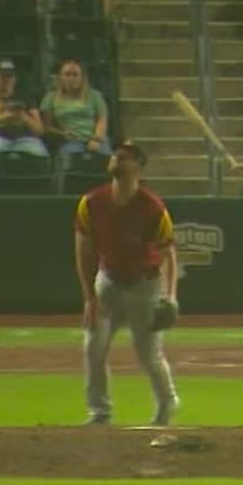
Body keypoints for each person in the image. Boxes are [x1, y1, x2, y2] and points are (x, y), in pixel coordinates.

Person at [75, 139, 181, 427]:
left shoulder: (152, 207)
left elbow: (169, 253)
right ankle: (99, 412)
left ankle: (166, 403)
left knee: (147, 353)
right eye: (117, 155)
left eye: (127, 157)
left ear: (139, 168)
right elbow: (83, 252)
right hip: (108, 282)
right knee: (93, 347)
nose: (118, 159)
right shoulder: (91, 203)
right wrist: (89, 298)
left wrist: (169, 296)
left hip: (144, 286)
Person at [0, 58, 48, 158]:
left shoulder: (26, 98)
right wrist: (0, 119)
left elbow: (39, 131)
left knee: (38, 152)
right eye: (2, 76)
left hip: (23, 139)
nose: (6, 80)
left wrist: (24, 117)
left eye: (10, 76)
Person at [41, 59, 109, 156]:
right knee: (71, 157)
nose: (71, 78)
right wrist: (60, 133)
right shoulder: (50, 97)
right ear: (60, 77)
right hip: (69, 140)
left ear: (82, 77)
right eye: (67, 75)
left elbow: (102, 120)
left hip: (95, 138)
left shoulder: (95, 95)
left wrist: (96, 140)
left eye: (75, 75)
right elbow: (47, 126)